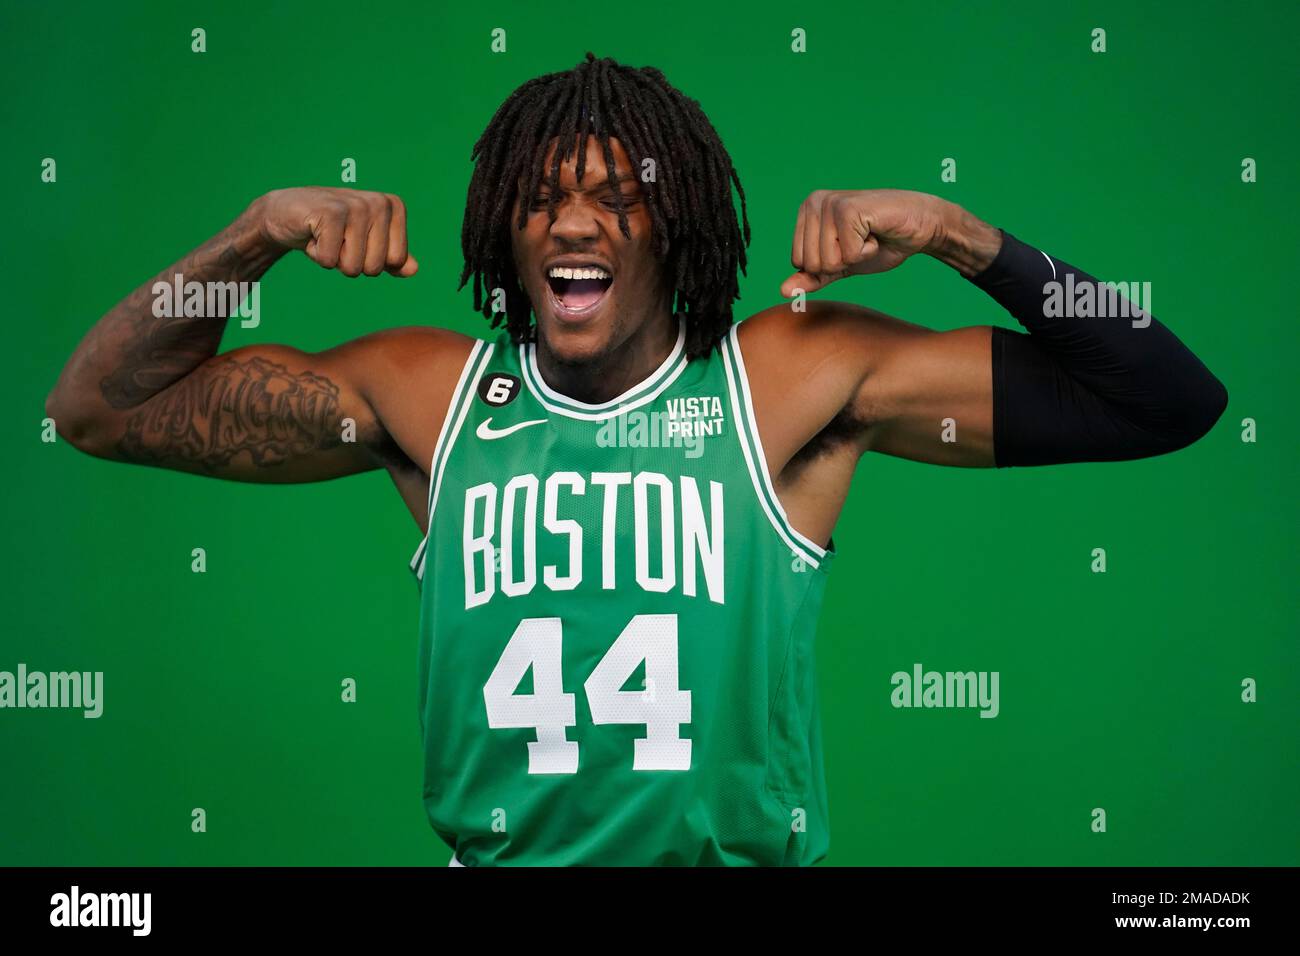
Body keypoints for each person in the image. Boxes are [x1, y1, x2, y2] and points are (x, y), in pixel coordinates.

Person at [46, 53, 1226, 865]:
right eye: (545, 199)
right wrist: (255, 234)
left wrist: (961, 236)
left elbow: (1165, 398)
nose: (575, 223)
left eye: (618, 199)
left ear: (680, 230)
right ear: (502, 233)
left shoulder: (790, 379)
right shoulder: (429, 396)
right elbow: (96, 407)